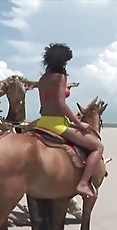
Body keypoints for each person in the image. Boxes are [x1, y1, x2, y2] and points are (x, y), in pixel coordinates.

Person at [35, 43, 104, 197]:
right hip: (56, 124)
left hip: (43, 121)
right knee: (97, 146)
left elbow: (47, 104)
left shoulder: (43, 78)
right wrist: (79, 123)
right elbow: (60, 104)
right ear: (63, 61)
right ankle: (83, 183)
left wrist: (70, 121)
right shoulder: (60, 77)